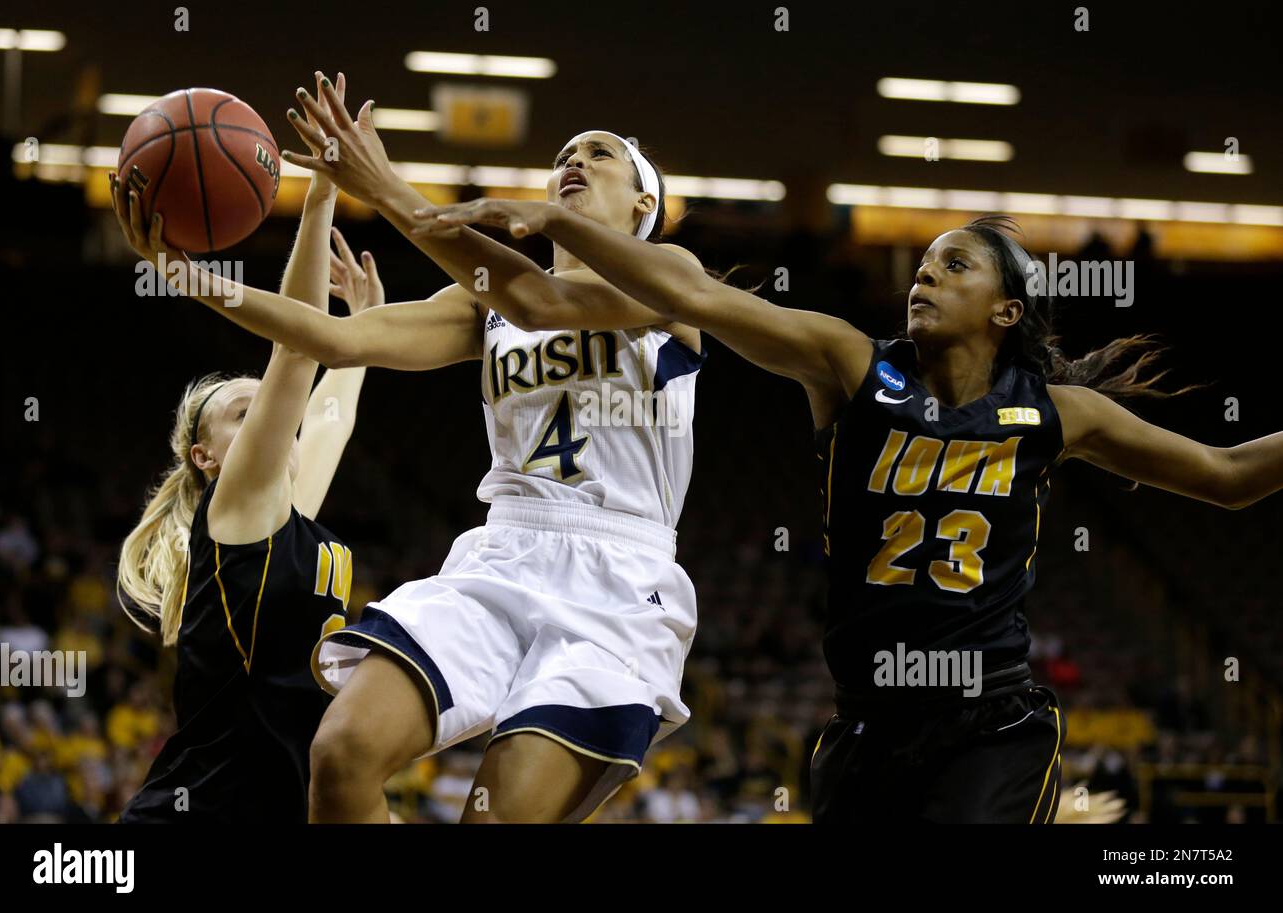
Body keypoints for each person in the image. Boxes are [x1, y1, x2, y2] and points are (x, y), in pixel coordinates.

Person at [411, 197, 1283, 822]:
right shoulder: (851, 365)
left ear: (1005, 310)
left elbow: (1230, 472)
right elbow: (698, 300)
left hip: (995, 723)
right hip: (867, 723)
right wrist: (561, 224)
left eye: (954, 265)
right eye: (925, 263)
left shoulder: (1057, 413)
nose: (925, 276)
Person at [111, 71, 708, 823]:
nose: (573, 161)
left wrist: (383, 183)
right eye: (563, 154)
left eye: (599, 154)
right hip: (504, 553)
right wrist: (186, 275)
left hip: (618, 582)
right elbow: (329, 338)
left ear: (644, 204)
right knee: (341, 754)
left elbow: (539, 299)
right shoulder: (480, 307)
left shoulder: (673, 280)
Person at [114, 75, 370, 822]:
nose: (269, 416)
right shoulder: (239, 511)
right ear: (207, 457)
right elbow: (296, 354)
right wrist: (319, 197)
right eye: (241, 411)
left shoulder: (285, 514)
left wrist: (359, 332)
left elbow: (327, 415)